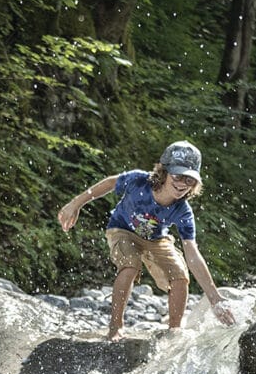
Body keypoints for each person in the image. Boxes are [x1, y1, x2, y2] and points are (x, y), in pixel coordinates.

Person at [57, 140, 237, 341]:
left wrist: (214, 298)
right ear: (164, 172)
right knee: (130, 265)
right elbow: (109, 184)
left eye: (189, 180)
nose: (181, 184)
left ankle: (174, 331)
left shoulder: (183, 211)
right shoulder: (138, 181)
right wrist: (75, 204)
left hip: (156, 239)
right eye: (177, 176)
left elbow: (192, 253)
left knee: (180, 275)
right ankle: (115, 327)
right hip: (122, 230)